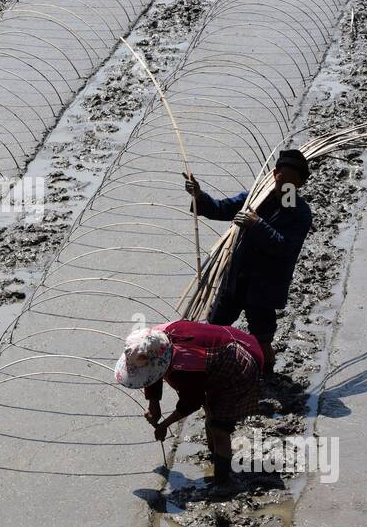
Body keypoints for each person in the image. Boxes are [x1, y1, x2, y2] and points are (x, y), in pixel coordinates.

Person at [184, 147, 312, 377]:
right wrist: (199, 196)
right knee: (215, 326)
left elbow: (284, 247)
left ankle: (267, 374)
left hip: (265, 285)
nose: (285, 187)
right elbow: (220, 208)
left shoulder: (300, 213)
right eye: (282, 179)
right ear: (274, 175)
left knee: (262, 336)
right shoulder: (257, 197)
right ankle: (206, 370)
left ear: (300, 185)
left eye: (292, 183)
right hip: (237, 276)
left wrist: (256, 224)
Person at [115, 320, 264, 492]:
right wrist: (153, 403)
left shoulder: (184, 367)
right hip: (219, 355)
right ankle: (214, 456)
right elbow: (152, 374)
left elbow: (192, 402)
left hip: (237, 365)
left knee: (219, 428)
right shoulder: (156, 338)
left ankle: (223, 481)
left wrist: (164, 425)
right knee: (210, 411)